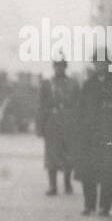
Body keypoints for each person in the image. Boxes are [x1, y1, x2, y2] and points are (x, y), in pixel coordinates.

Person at [74, 59, 112, 216]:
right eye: (97, 62)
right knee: (88, 169)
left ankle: (104, 206)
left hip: (111, 132)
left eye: (103, 62)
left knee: (109, 169)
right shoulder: (88, 85)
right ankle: (89, 205)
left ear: (109, 64)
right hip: (91, 133)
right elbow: (80, 108)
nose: (100, 65)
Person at [36, 58, 79, 195]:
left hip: (68, 122)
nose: (59, 68)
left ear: (65, 67)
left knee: (68, 154)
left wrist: (78, 124)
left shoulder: (73, 83)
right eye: (56, 66)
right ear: (53, 67)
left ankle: (67, 183)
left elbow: (78, 105)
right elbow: (41, 106)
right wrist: (40, 126)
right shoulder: (47, 84)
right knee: (51, 154)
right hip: (52, 122)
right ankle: (52, 185)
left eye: (61, 65)